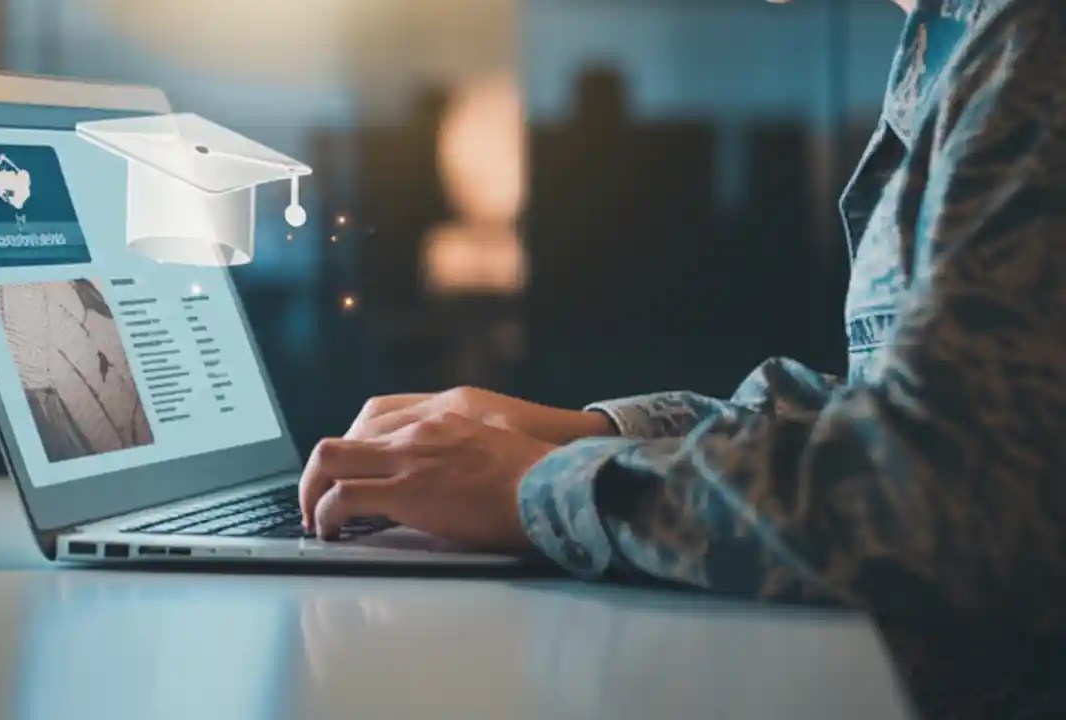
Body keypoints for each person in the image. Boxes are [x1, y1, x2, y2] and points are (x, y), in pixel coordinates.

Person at [299, 0, 1066, 624]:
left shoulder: (1032, 48)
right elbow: (896, 416)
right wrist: (589, 433)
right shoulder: (959, 46)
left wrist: (538, 487)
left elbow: (937, 495)